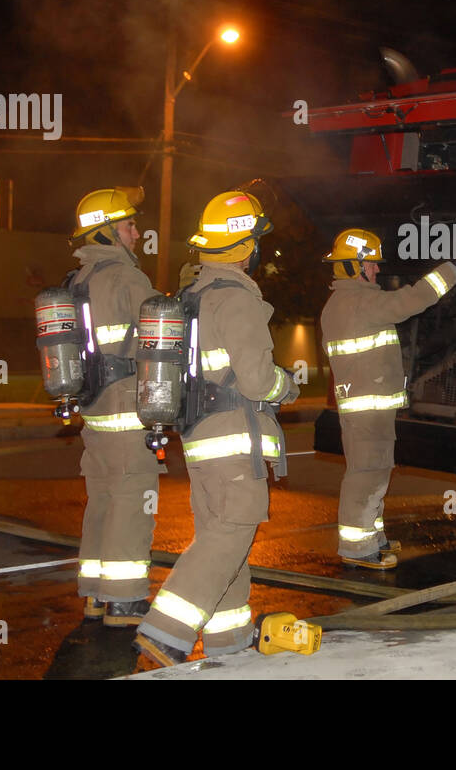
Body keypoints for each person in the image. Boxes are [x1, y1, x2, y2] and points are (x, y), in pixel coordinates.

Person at [133, 190, 298, 666]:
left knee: (225, 539)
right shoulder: (238, 300)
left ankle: (230, 639)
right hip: (233, 442)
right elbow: (256, 379)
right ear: (246, 247)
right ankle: (165, 631)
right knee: (233, 531)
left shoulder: (192, 298)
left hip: (202, 443)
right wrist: (285, 385)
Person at [320, 228, 456, 569]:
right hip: (367, 411)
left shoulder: (346, 302)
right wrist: (451, 271)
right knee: (367, 474)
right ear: (354, 266)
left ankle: (372, 536)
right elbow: (408, 302)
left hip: (369, 409)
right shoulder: (359, 301)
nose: (377, 271)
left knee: (375, 471)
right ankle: (356, 548)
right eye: (371, 264)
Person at [68, 186, 163, 627]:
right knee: (133, 496)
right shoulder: (126, 278)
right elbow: (156, 343)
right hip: (128, 405)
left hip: (94, 411)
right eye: (129, 225)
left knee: (103, 498)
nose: (137, 232)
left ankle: (94, 593)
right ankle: (124, 601)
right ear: (107, 232)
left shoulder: (77, 281)